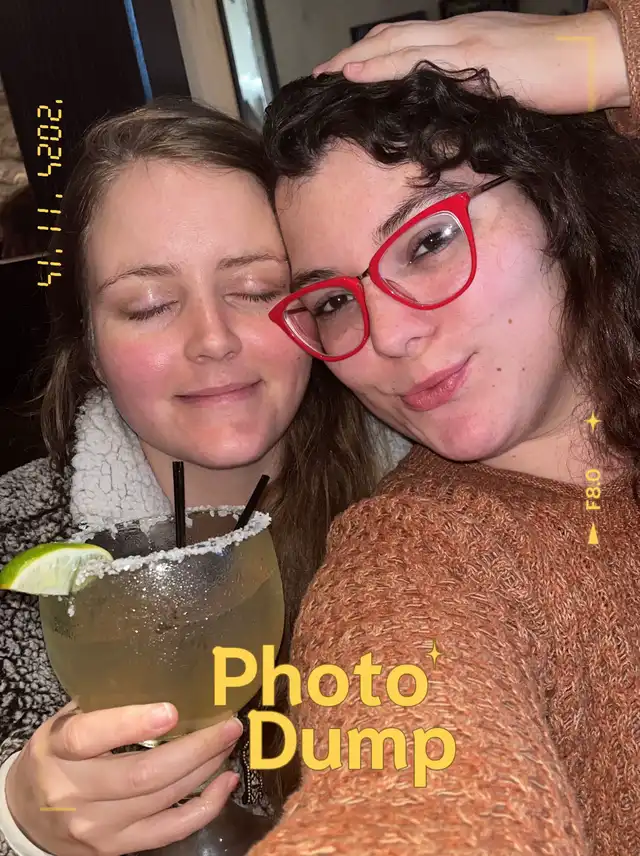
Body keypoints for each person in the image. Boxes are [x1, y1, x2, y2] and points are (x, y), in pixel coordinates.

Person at [244, 18, 640, 856]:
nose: (388, 335)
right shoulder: (417, 554)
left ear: (556, 199)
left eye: (427, 241)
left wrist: (606, 55)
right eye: (334, 301)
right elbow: (408, 789)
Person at [0, 101, 409, 856]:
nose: (213, 339)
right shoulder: (17, 543)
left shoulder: (426, 496)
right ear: (89, 347)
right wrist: (18, 821)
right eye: (149, 305)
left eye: (254, 289)